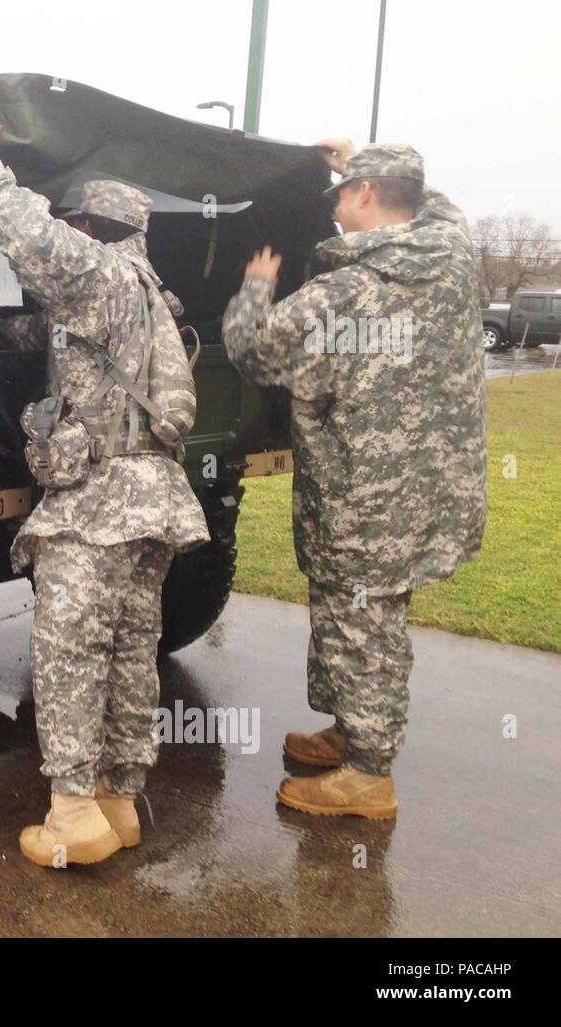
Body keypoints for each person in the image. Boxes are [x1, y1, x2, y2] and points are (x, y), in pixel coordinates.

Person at [0, 102, 208, 866]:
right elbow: (47, 335)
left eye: (79, 224)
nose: (72, 233)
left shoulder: (100, 274)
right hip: (152, 504)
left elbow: (34, 240)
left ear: (94, 230)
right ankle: (119, 801)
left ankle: (70, 817)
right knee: (131, 653)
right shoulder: (150, 299)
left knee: (70, 653)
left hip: (98, 505)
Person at [221, 139, 487, 819]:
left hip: (359, 498)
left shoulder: (341, 291)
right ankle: (354, 730)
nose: (337, 206)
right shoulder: (450, 256)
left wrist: (255, 282)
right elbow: (441, 210)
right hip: (429, 490)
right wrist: (373, 166)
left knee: (361, 622)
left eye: (343, 191)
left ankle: (369, 774)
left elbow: (251, 349)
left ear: (367, 194)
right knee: (367, 619)